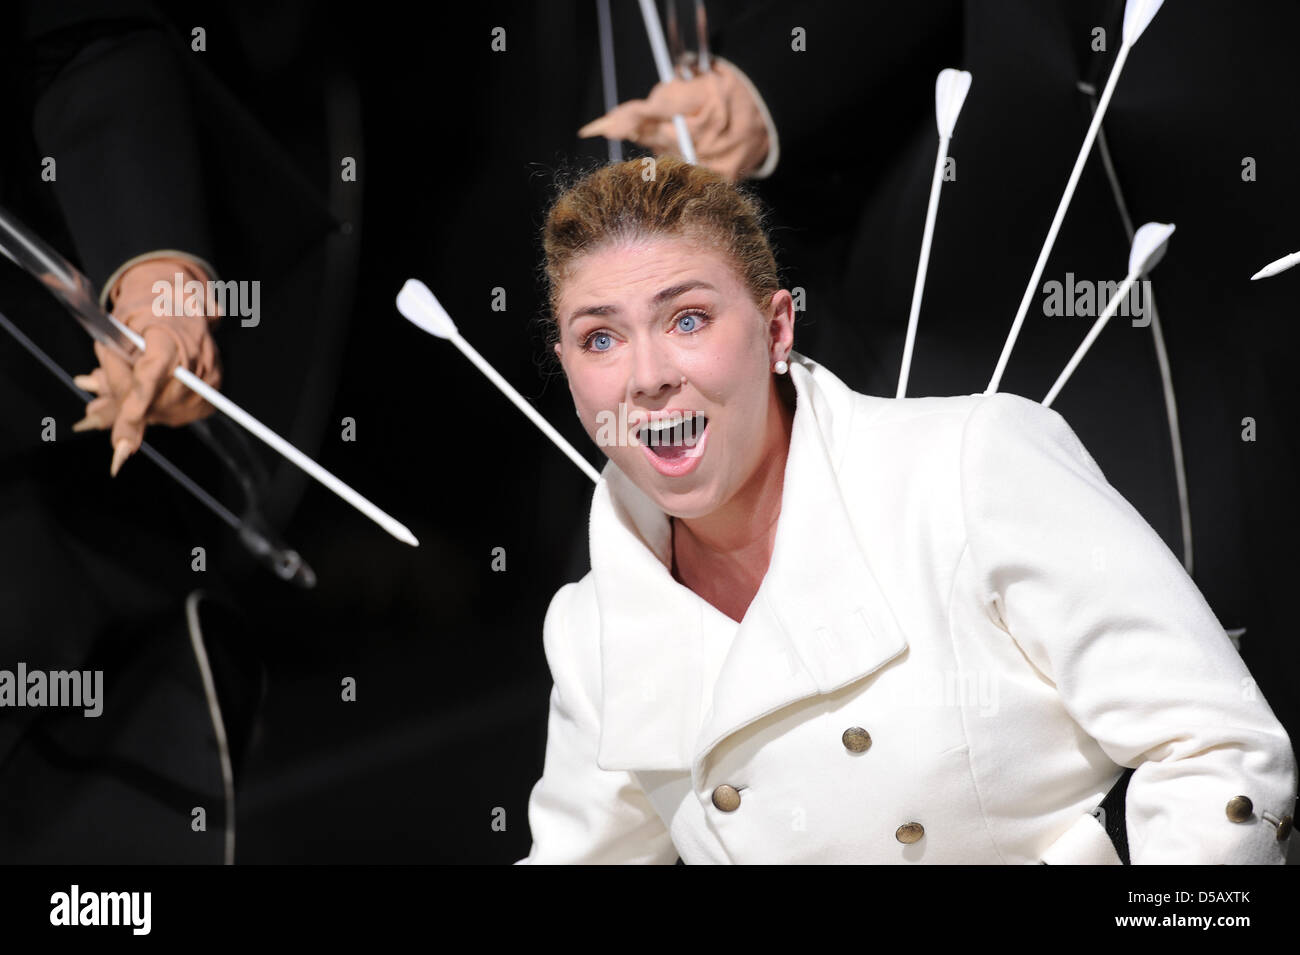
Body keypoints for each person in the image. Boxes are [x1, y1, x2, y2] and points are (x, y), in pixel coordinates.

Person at [514, 156, 1296, 864]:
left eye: (687, 320)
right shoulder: (593, 630)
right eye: (601, 338)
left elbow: (1223, 757)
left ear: (777, 327)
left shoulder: (970, 464)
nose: (645, 376)